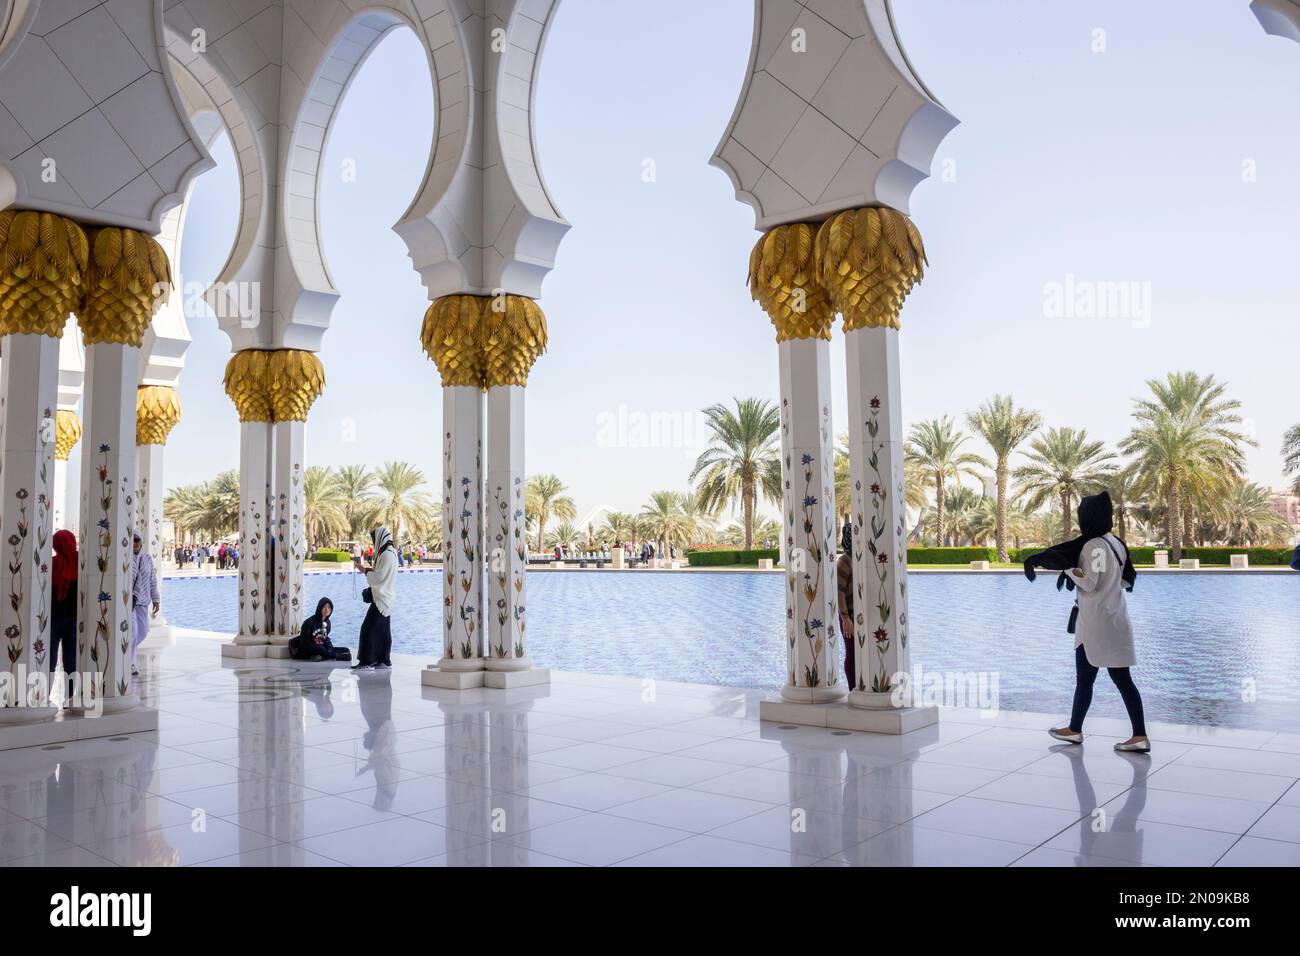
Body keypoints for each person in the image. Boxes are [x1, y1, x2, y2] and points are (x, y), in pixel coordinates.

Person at [1024, 491, 1149, 753]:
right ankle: (1137, 735)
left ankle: (1076, 729)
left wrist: (1068, 570)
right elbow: (1125, 580)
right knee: (1122, 679)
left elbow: (1089, 583)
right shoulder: (1116, 543)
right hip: (1116, 619)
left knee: (1085, 679)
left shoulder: (1093, 546)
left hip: (1095, 624)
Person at [353, 526, 396, 670]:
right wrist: (367, 570)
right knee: (383, 630)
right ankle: (383, 660)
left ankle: (367, 662)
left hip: (381, 598)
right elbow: (381, 574)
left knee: (368, 629)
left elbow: (378, 578)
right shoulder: (390, 553)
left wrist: (364, 570)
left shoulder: (386, 555)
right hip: (386, 597)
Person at [50, 530, 78, 703]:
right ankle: (69, 696)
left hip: (53, 619)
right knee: (71, 661)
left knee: (49, 661)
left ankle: (43, 696)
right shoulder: (80, 563)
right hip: (74, 619)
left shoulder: (52, 564)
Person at [130, 533, 160, 677]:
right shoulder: (126, 557)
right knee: (133, 632)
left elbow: (152, 580)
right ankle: (130, 664)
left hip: (143, 602)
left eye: (137, 540)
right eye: (133, 540)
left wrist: (156, 599)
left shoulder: (147, 558)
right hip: (129, 602)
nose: (135, 543)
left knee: (143, 631)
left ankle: (126, 653)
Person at [835, 522, 855, 689]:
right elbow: (839, 591)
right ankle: (852, 688)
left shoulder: (859, 559)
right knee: (852, 653)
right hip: (848, 615)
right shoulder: (844, 561)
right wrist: (845, 618)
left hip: (858, 615)